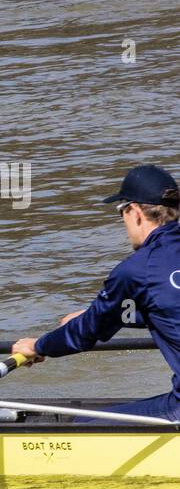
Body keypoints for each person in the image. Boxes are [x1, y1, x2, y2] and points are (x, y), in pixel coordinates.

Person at [11, 164, 180, 420]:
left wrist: (38, 346)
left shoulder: (136, 269)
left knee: (80, 424)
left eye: (120, 211)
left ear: (134, 211)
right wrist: (107, 315)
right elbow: (169, 308)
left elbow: (85, 333)